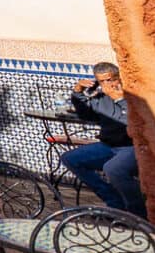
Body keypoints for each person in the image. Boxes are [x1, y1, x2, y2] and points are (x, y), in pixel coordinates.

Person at [60, 62, 144, 215]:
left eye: (111, 79)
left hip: (131, 147)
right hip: (108, 146)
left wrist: (120, 99)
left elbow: (134, 122)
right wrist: (78, 92)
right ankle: (115, 202)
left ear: (119, 78)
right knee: (70, 159)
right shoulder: (101, 99)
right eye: (102, 81)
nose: (108, 84)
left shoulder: (132, 96)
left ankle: (138, 212)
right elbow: (86, 115)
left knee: (113, 169)